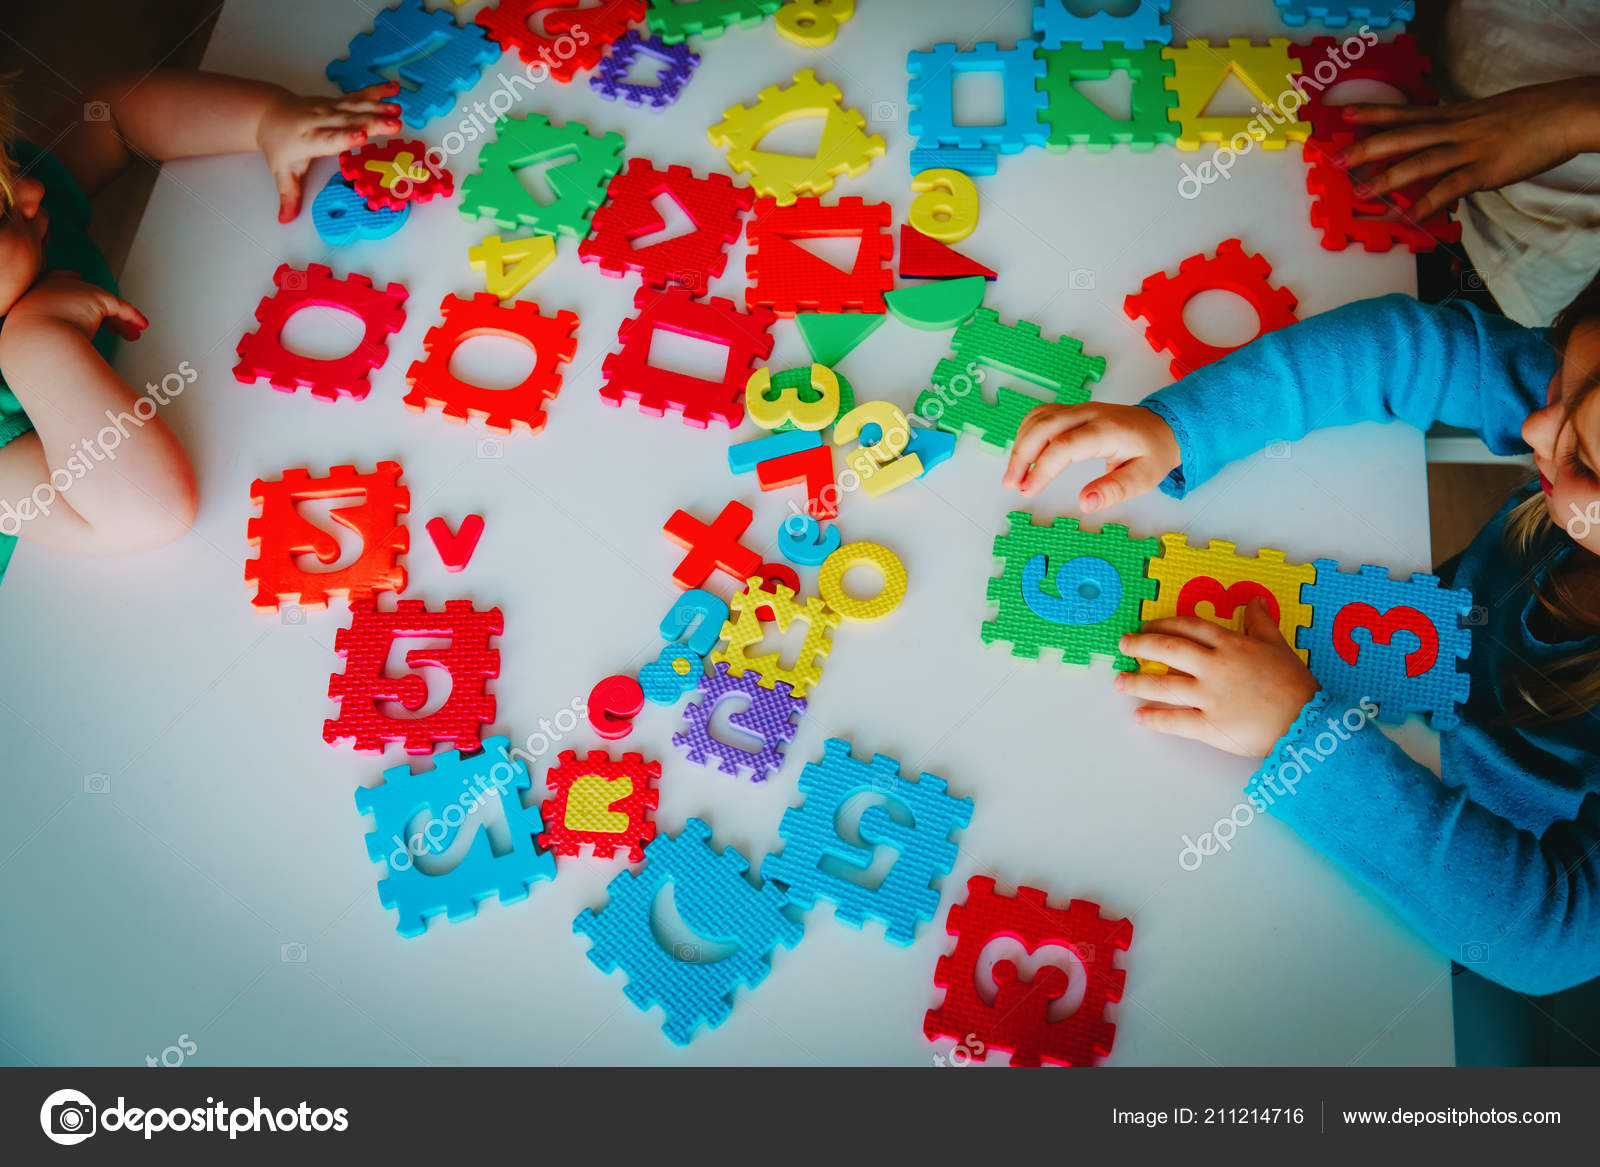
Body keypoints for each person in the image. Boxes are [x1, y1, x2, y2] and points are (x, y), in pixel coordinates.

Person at [1002, 275, 1600, 1015]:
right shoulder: (1573, 411)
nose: (1537, 429)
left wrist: (1301, 734)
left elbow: (1546, 937)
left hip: (1439, 875)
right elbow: (1408, 347)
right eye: (1558, 386)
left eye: (1586, 460)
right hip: (1404, 660)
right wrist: (1181, 426)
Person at [0, 70, 402, 582]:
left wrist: (264, 118)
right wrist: (38, 344)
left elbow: (112, 119)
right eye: (1, 209)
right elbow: (147, 512)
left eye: (7, 165)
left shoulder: (27, 210)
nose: (30, 187)